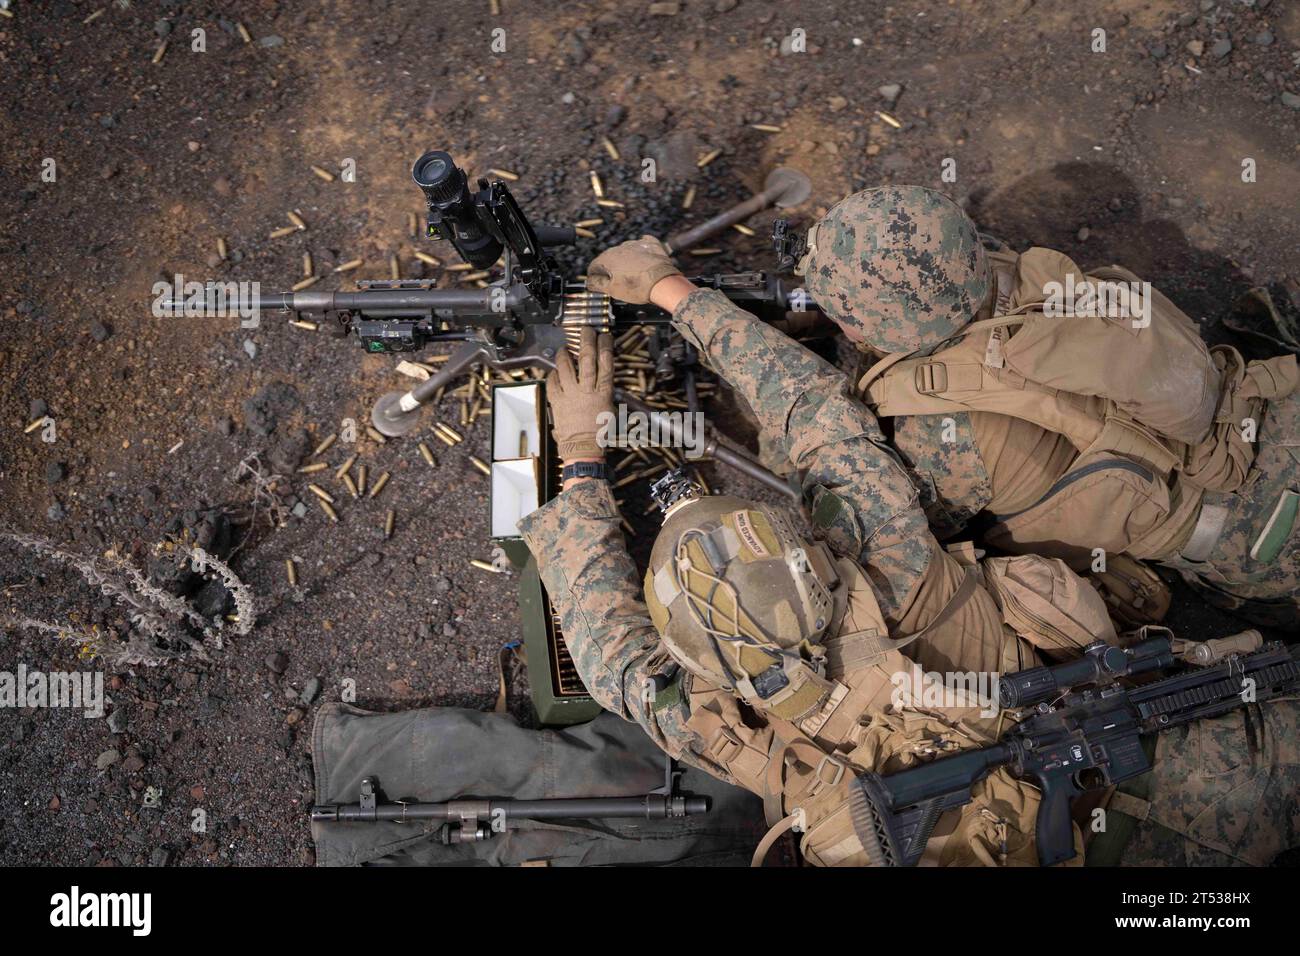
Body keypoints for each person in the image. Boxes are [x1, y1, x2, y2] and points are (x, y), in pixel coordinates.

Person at [519, 294, 1298, 865]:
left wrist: (580, 447)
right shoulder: (891, 562)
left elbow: (609, 652)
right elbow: (818, 412)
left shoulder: (714, 719)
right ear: (813, 561)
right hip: (1200, 764)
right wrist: (674, 293)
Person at [791, 186, 1300, 629]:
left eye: (844, 314)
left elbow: (913, 536)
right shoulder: (1020, 276)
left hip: (1263, 543)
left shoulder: (934, 437)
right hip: (1278, 410)